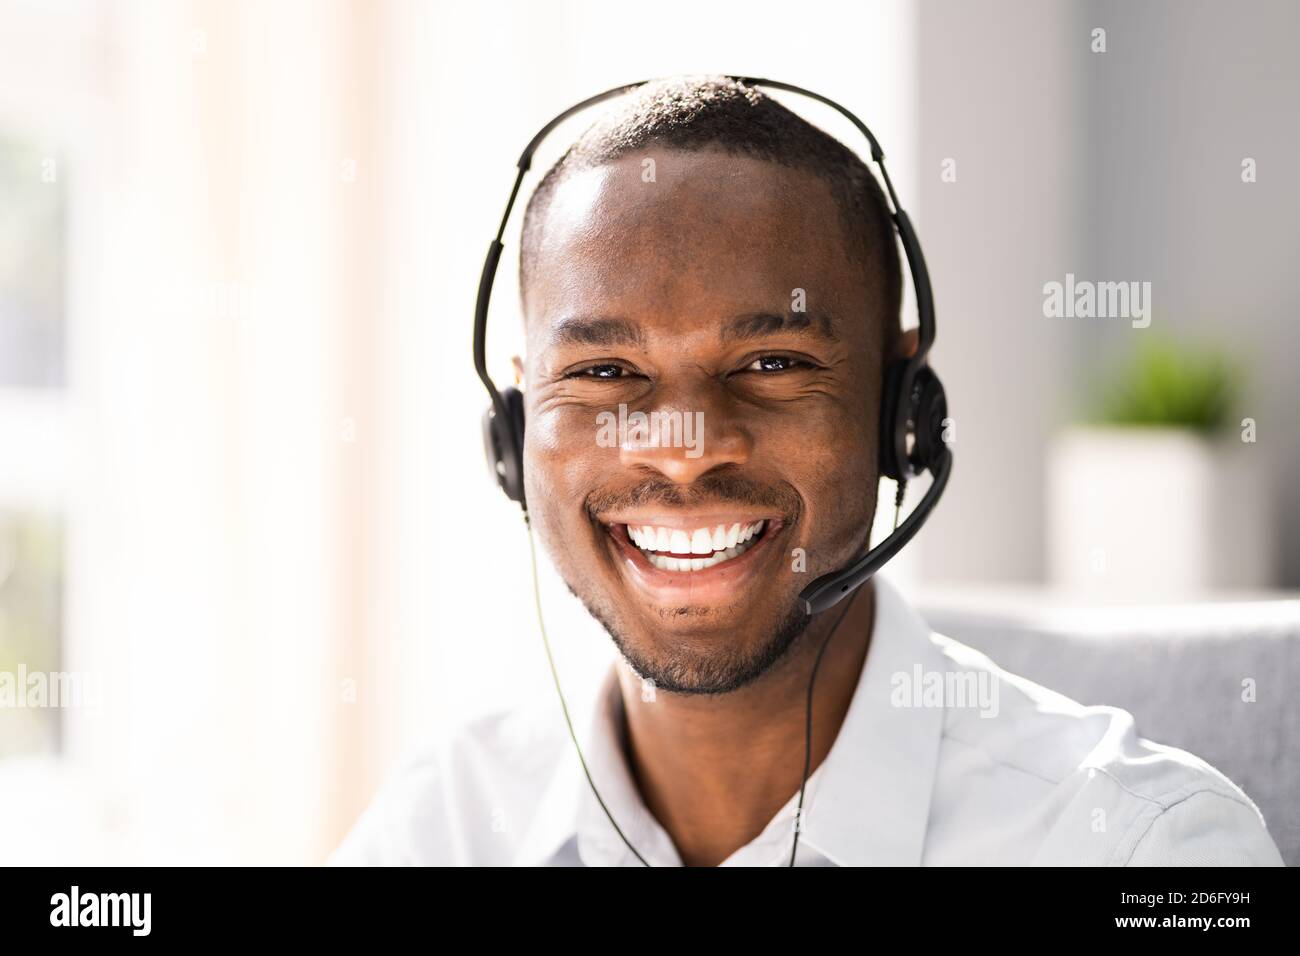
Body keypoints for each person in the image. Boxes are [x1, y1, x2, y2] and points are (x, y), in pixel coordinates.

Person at [331, 76, 1282, 866]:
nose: (686, 445)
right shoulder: (439, 830)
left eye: (773, 364)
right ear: (514, 423)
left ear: (899, 413)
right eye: (604, 372)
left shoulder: (1147, 851)